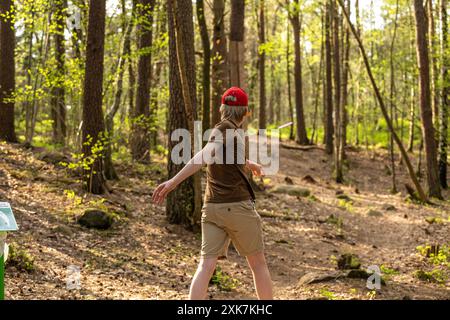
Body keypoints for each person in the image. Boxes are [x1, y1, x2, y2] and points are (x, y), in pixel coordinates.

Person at [152, 87, 273, 300]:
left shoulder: (232, 132)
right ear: (246, 112)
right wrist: (173, 182)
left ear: (222, 108)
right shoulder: (224, 129)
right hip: (238, 208)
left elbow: (226, 158)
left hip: (213, 209)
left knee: (206, 266)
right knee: (258, 264)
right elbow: (206, 154)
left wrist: (249, 163)